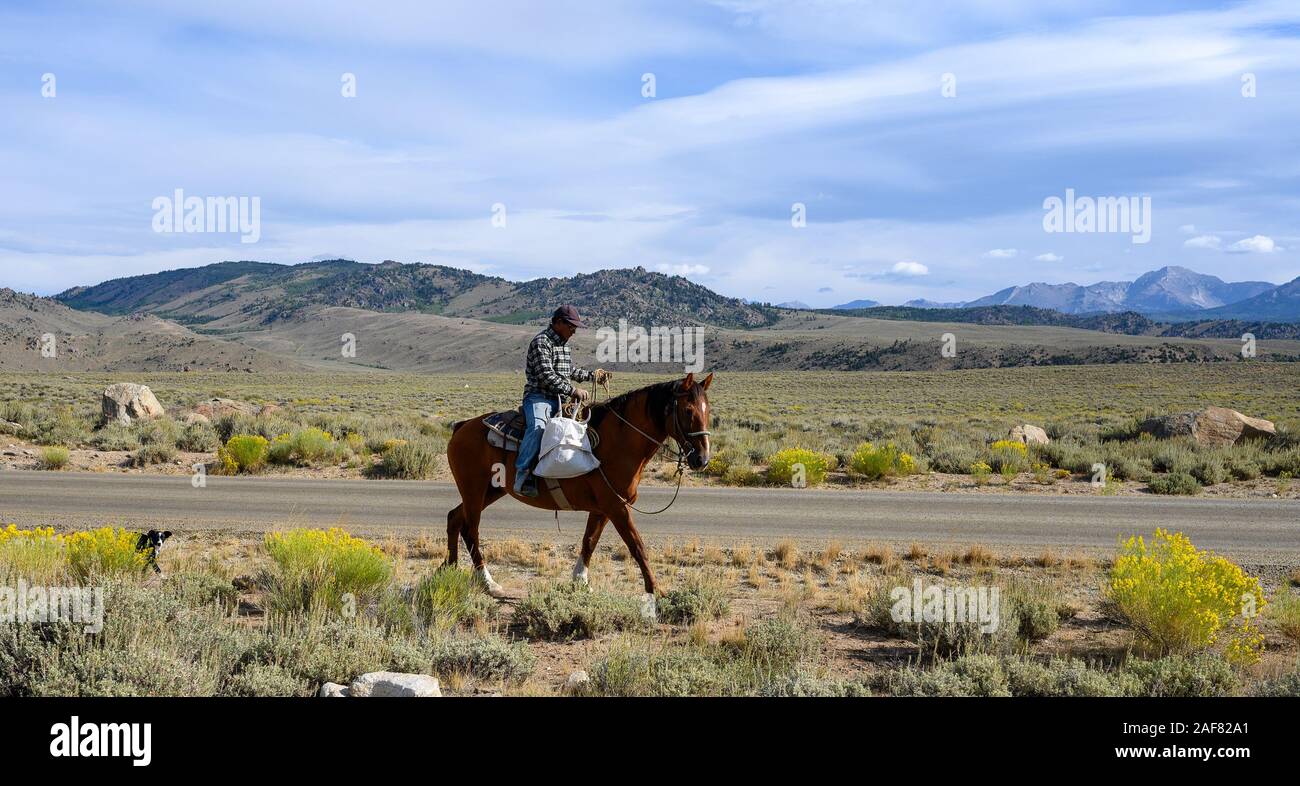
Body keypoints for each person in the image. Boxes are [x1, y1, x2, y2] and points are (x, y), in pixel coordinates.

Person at [513, 305, 610, 497]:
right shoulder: (542, 342)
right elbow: (545, 375)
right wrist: (572, 390)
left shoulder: (563, 345)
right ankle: (522, 474)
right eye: (571, 326)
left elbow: (569, 371)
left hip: (560, 399)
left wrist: (592, 377)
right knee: (538, 428)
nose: (574, 331)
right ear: (558, 322)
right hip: (538, 397)